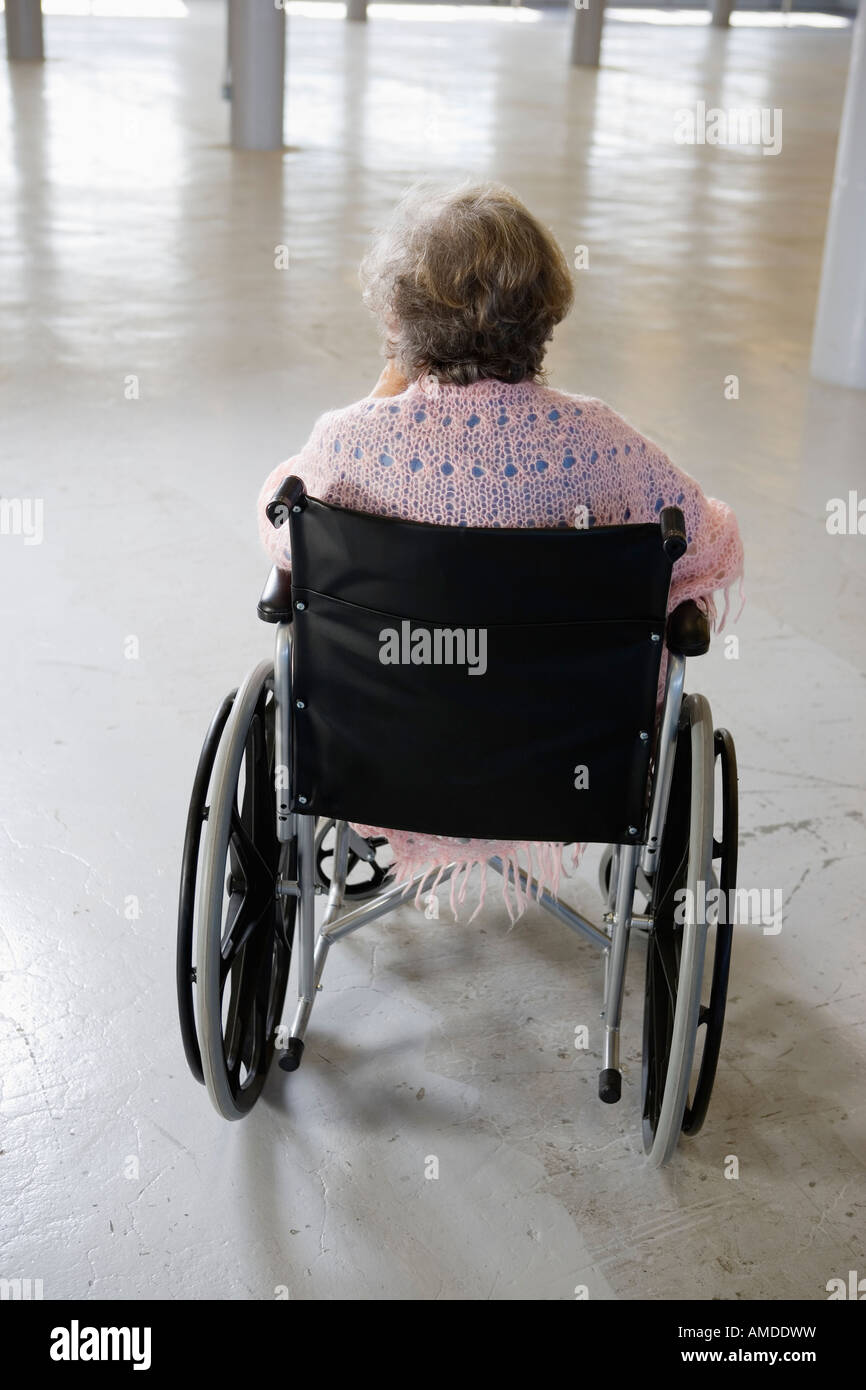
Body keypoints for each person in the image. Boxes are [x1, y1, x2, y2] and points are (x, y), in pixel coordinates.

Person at [258, 182, 744, 920]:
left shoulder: (346, 443)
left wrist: (375, 397)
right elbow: (707, 543)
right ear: (543, 311)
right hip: (562, 768)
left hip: (380, 755)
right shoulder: (607, 445)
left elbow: (279, 520)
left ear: (400, 317)